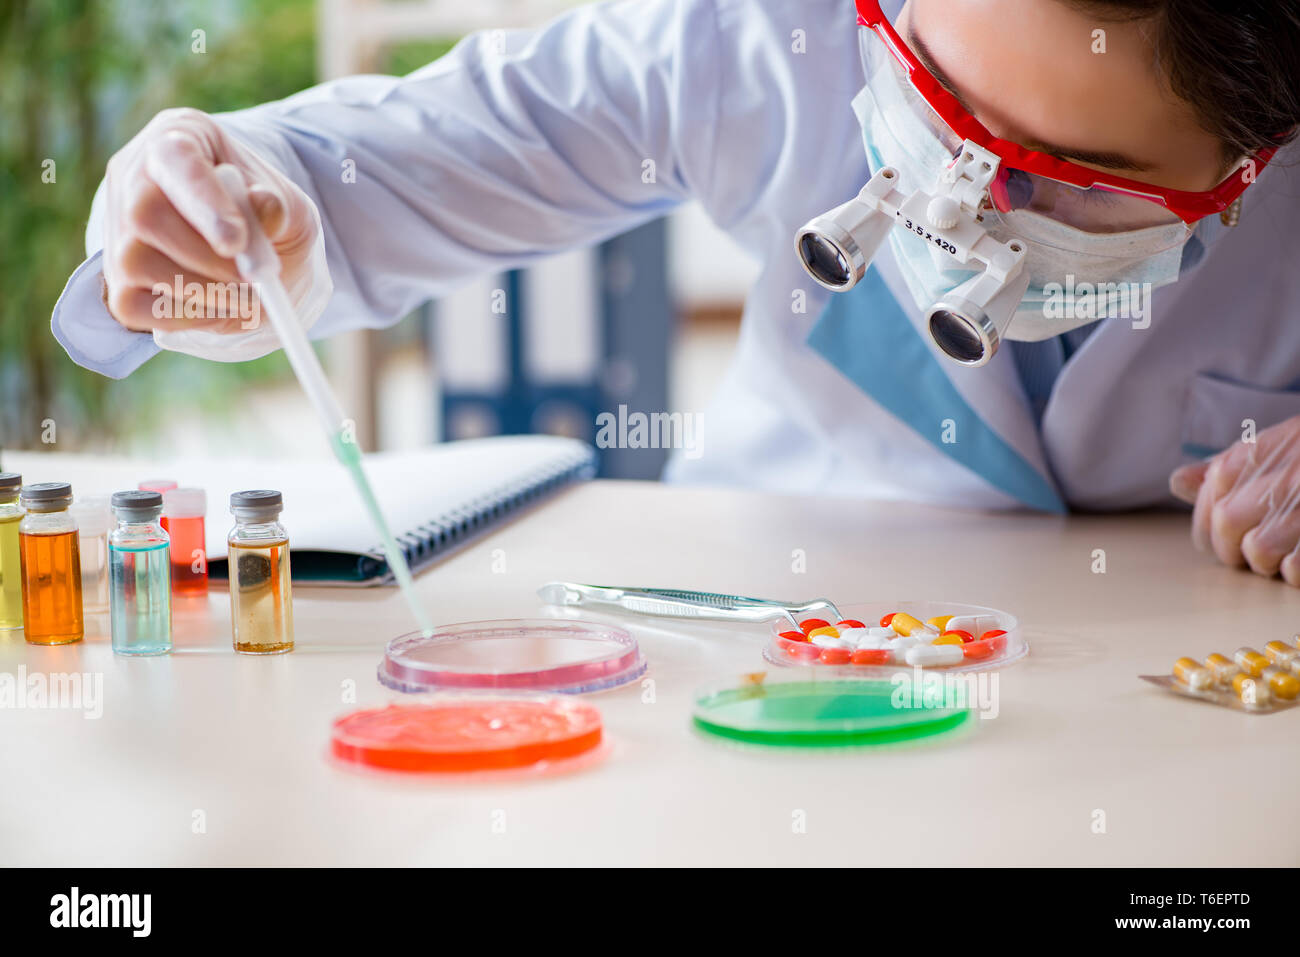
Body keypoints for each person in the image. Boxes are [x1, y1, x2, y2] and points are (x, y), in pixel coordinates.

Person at [50, 0, 1300, 582]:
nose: (968, 206)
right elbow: (410, 160)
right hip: (768, 624)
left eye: (1079, 183)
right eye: (933, 107)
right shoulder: (773, 39)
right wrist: (224, 188)